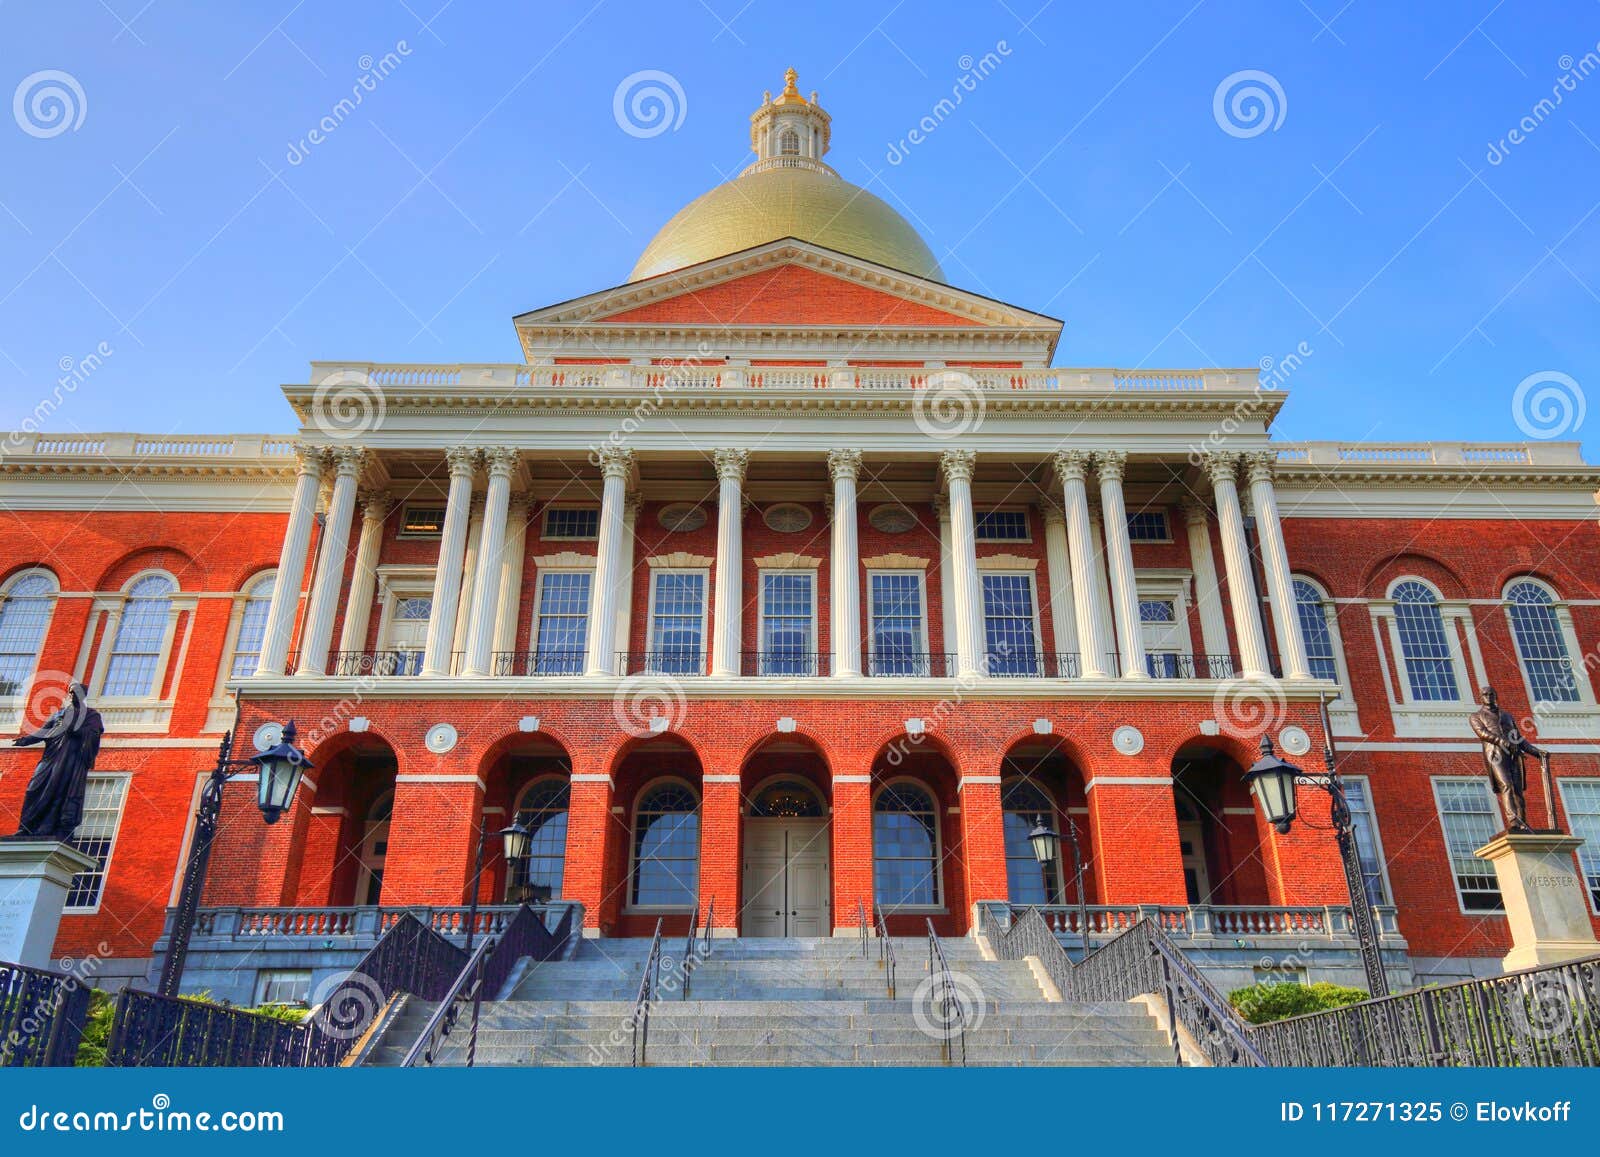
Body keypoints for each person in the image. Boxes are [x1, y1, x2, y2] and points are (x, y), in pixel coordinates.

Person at [8, 682, 104, 840]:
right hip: (51, 757)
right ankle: (26, 828)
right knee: (33, 789)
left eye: (76, 693)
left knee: (59, 791)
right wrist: (26, 740)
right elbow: (44, 731)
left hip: (70, 760)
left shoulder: (91, 716)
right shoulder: (59, 714)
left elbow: (93, 736)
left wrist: (72, 728)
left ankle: (48, 828)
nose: (72, 695)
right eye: (71, 692)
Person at [1468, 685, 1545, 834]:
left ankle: (1523, 822)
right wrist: (1502, 741)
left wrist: (1536, 752)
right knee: (1506, 785)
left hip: (1513, 755)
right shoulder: (1476, 717)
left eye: (1491, 694)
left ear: (1495, 696)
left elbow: (1519, 738)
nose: (1488, 696)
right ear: (1481, 698)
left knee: (1517, 790)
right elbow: (1483, 733)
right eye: (1485, 694)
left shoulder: (1507, 716)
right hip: (1496, 755)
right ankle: (1514, 822)